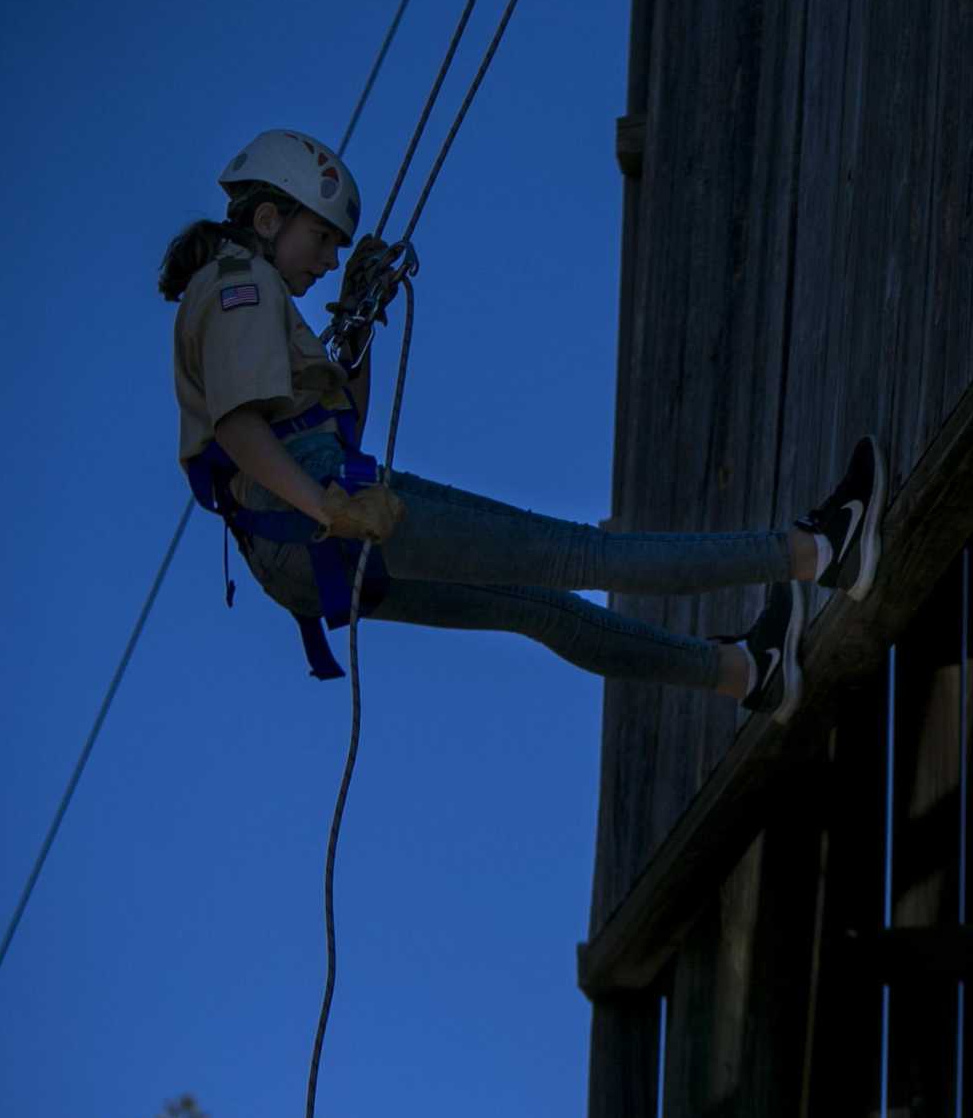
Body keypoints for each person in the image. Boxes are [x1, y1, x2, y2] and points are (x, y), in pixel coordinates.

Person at [164, 129, 882, 723]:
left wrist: (358, 321)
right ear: (269, 220)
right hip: (311, 517)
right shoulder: (241, 285)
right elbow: (239, 428)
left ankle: (747, 673)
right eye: (322, 238)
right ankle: (821, 550)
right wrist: (330, 508)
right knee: (576, 556)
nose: (329, 259)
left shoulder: (242, 291)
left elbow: (335, 426)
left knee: (540, 609)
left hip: (295, 542)